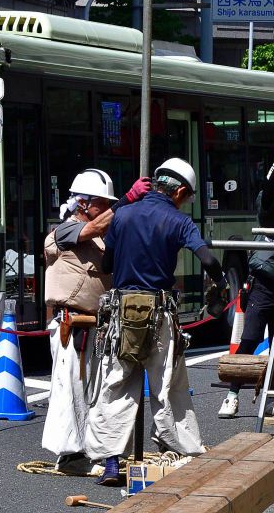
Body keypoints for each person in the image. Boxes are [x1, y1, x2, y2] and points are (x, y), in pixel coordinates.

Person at [85, 157, 227, 486]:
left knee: (116, 385)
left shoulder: (122, 216)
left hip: (120, 313)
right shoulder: (178, 222)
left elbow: (107, 262)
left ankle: (109, 463)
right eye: (187, 196)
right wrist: (220, 284)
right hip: (159, 313)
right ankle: (180, 452)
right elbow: (207, 258)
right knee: (166, 386)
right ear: (178, 191)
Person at [42, 169, 149, 475]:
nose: (106, 209)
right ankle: (71, 456)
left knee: (98, 393)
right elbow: (90, 229)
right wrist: (127, 200)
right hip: (71, 326)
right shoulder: (63, 232)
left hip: (100, 326)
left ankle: (96, 452)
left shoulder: (103, 238)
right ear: (83, 204)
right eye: (101, 203)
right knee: (72, 391)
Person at [220, 137, 274, 419]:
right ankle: (232, 394)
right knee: (251, 337)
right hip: (264, 284)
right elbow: (266, 191)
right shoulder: (271, 206)